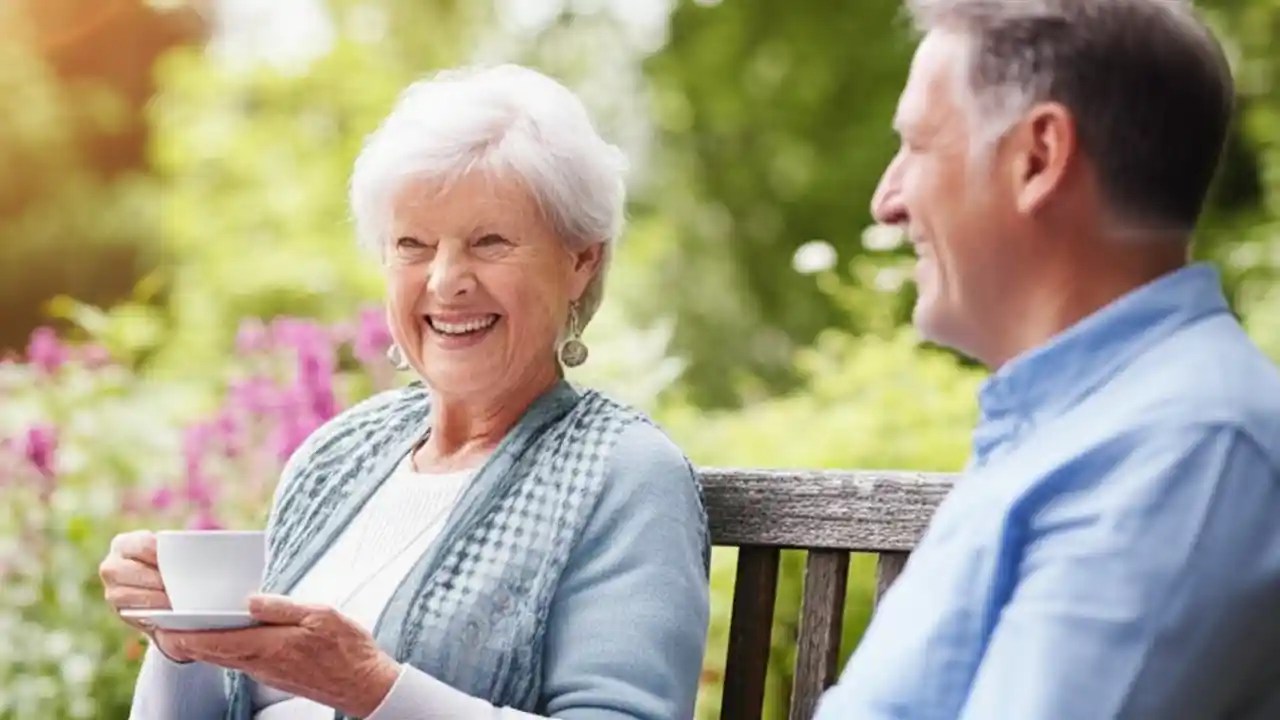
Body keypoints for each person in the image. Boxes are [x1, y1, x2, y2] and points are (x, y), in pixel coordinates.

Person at [100, 64, 710, 720]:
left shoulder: (623, 474)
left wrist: (372, 689)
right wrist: (182, 633)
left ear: (580, 260)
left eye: (489, 242)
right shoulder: (336, 456)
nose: (447, 280)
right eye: (413, 245)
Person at [816, 1, 1280, 718]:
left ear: (1038, 157)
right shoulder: (1076, 426)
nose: (887, 200)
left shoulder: (1187, 452)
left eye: (916, 145)